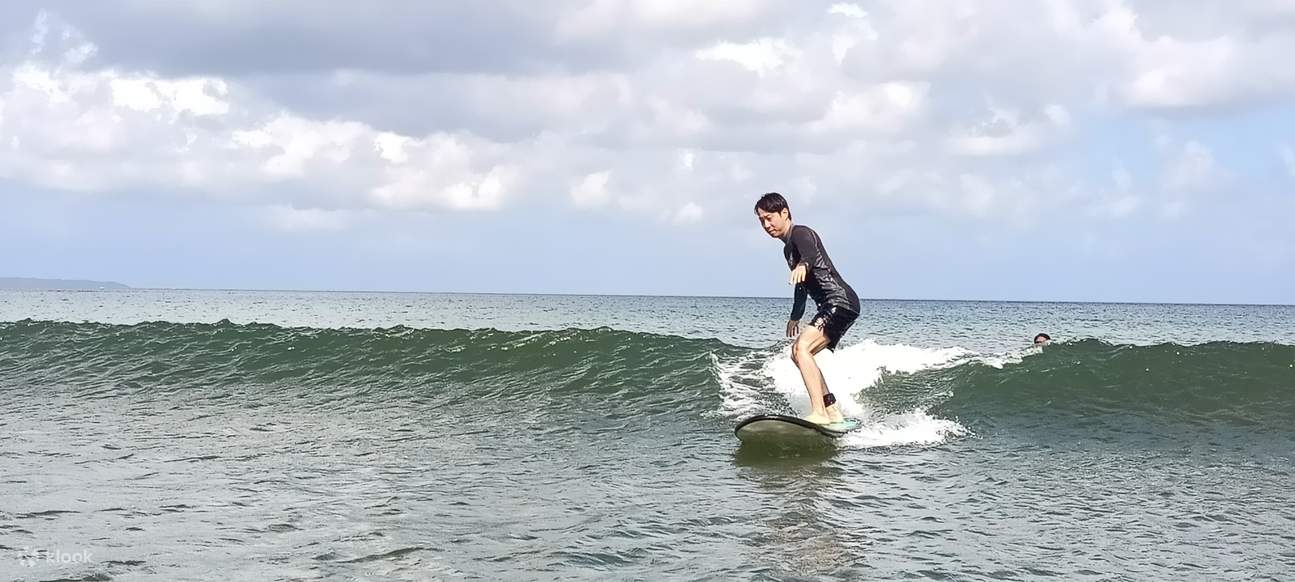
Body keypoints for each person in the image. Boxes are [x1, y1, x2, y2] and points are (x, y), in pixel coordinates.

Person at [754, 192, 861, 426]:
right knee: (798, 353)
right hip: (833, 305)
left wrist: (803, 264)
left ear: (784, 213)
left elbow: (810, 254)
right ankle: (832, 410)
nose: (766, 225)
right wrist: (795, 316)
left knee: (802, 347)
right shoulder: (787, 249)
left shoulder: (801, 233)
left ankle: (819, 413)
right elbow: (801, 285)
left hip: (840, 301)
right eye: (761, 221)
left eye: (769, 218)